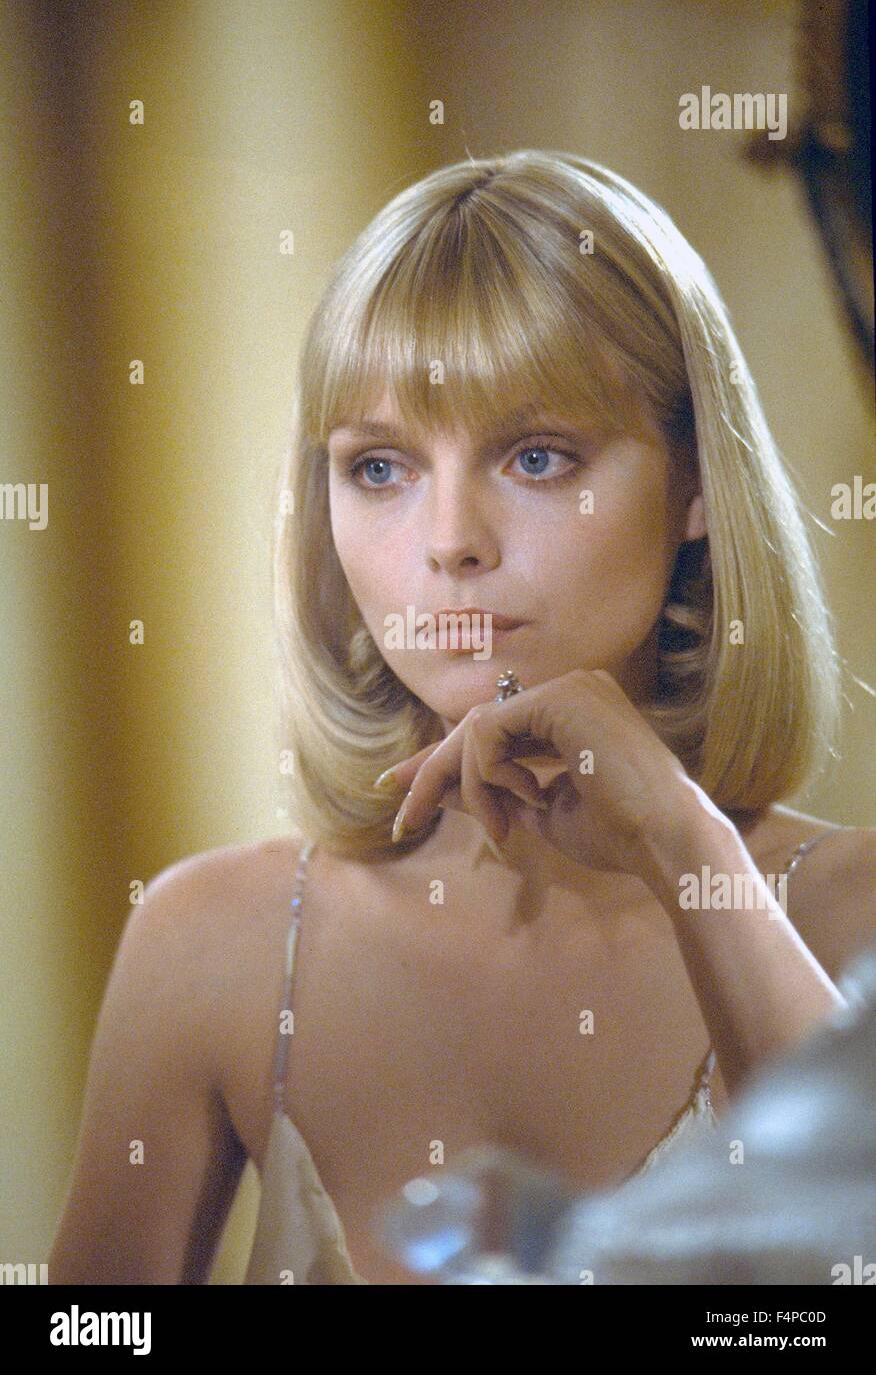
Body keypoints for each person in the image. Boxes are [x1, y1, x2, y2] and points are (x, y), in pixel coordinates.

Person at [49, 150, 876, 1285]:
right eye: (380, 467)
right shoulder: (210, 940)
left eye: (537, 457)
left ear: (697, 484)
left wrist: (688, 847)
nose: (449, 542)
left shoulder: (855, 917)